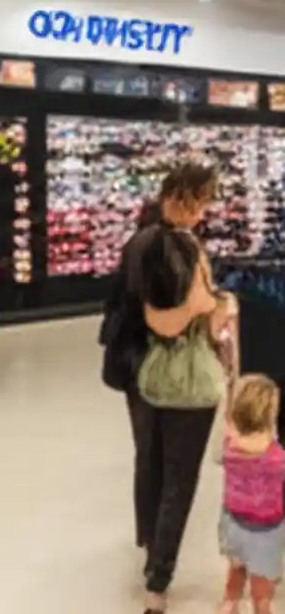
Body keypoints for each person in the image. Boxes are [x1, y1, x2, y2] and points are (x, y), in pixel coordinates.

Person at [100, 161, 236, 613]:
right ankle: (158, 581)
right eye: (203, 201)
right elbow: (172, 320)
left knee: (151, 462)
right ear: (189, 198)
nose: (204, 211)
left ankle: (149, 546)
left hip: (137, 371)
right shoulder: (178, 247)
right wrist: (215, 306)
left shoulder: (139, 240)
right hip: (179, 378)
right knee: (179, 476)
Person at [218, 374, 284, 614]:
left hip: (234, 522)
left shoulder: (229, 447)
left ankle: (229, 604)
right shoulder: (276, 459)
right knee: (262, 591)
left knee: (236, 568)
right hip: (265, 532)